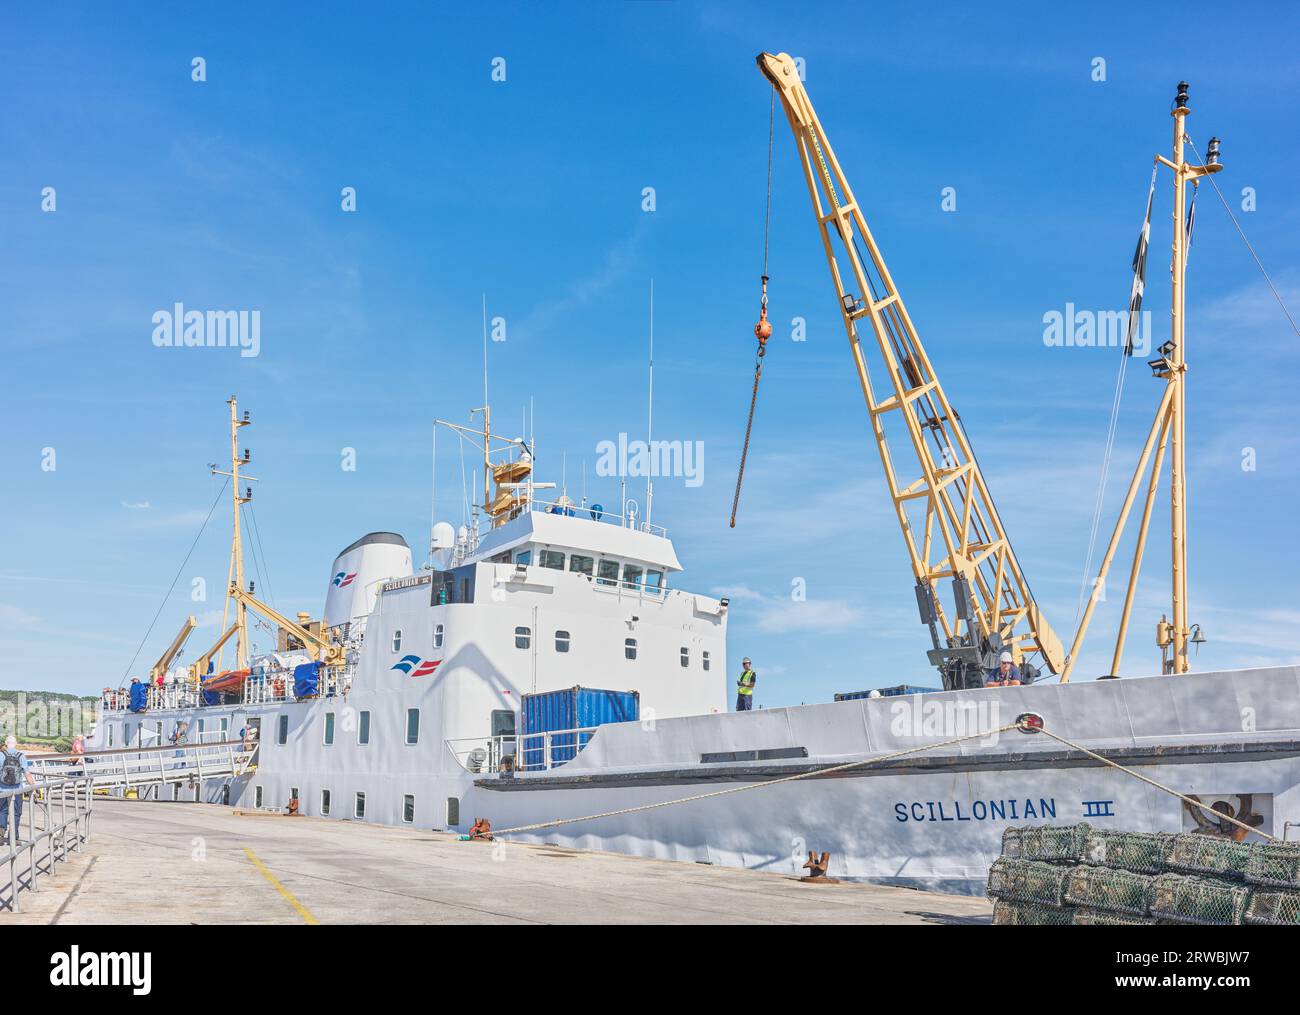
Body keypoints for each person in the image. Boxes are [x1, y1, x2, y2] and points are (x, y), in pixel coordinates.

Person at [0, 735, 36, 844]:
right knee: (16, 813)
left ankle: (1, 831)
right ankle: (13, 835)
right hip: (17, 790)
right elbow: (27, 774)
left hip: (2, 790)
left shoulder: (1, 755)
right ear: (15, 744)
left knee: (2, 811)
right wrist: (33, 788)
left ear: (6, 744)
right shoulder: (21, 756)